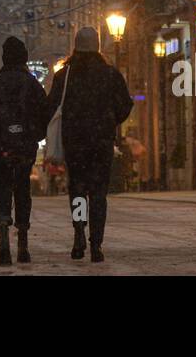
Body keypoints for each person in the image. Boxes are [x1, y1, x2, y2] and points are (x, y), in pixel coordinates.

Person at [45, 26, 132, 263]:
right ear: (97, 47)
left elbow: (51, 105)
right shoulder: (110, 74)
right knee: (98, 193)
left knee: (78, 190)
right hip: (101, 141)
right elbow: (125, 104)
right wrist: (111, 120)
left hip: (75, 142)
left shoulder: (65, 76)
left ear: (76, 46)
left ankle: (78, 233)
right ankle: (96, 244)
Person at [0, 35, 49, 266]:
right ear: (24, 58)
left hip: (0, 146)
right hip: (24, 145)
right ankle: (23, 241)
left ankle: (4, 235)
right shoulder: (32, 84)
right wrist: (34, 135)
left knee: (2, 187)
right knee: (23, 188)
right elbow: (44, 112)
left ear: (4, 59)